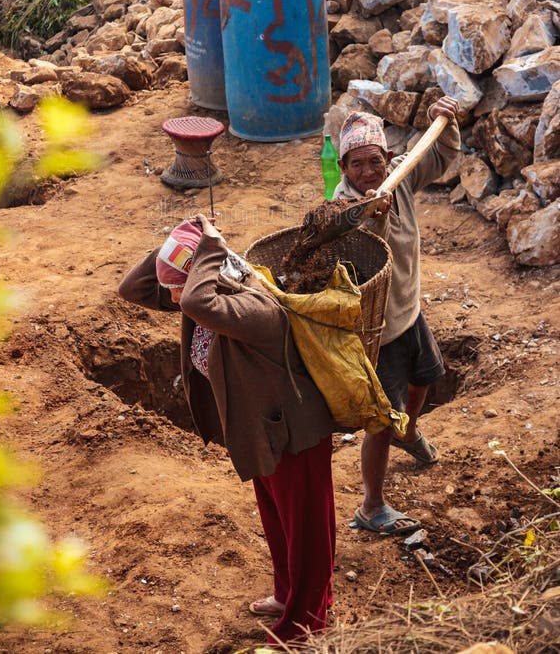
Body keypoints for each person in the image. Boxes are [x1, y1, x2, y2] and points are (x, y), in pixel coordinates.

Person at [118, 213, 338, 645]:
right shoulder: (203, 296)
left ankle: (305, 624)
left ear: (209, 271)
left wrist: (209, 247)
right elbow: (132, 289)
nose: (174, 297)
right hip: (259, 428)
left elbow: (196, 303)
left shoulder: (253, 307)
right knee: (277, 520)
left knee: (307, 530)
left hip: (295, 432)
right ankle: (286, 594)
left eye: (179, 285)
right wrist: (176, 241)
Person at [333, 96, 461, 535]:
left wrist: (443, 121)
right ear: (343, 168)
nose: (368, 172)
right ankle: (370, 506)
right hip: (375, 331)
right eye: (356, 165)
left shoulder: (400, 177)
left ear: (388, 158)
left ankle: (410, 432)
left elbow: (442, 157)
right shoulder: (342, 209)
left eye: (375, 161)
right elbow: (369, 262)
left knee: (426, 377)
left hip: (409, 309)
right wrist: (374, 216)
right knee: (381, 423)